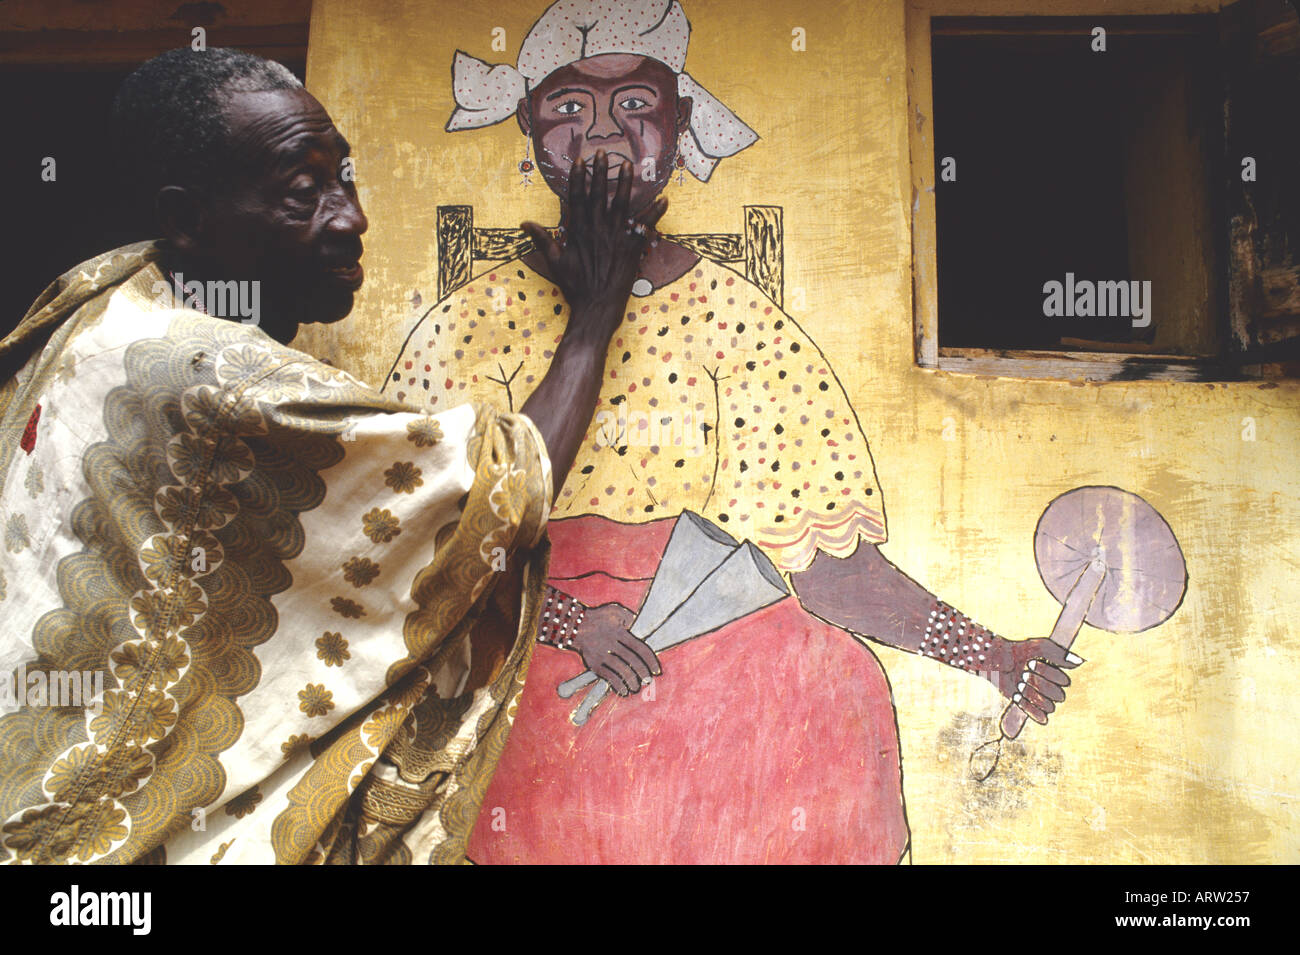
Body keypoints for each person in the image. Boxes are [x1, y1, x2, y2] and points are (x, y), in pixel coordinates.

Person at [386, 0, 1082, 863]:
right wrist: (570, 622)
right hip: (524, 627)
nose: (603, 134)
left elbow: (834, 569)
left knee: (835, 679)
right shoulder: (470, 322)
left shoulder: (736, 319)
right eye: (569, 108)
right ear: (530, 129)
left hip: (709, 639)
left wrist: (993, 654)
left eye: (635, 106)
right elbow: (423, 556)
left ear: (679, 127)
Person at [0, 46, 662, 864]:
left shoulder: (102, 302)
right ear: (184, 220)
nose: (351, 217)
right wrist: (597, 311)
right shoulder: (220, 378)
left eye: (343, 176)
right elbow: (496, 487)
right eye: (300, 192)